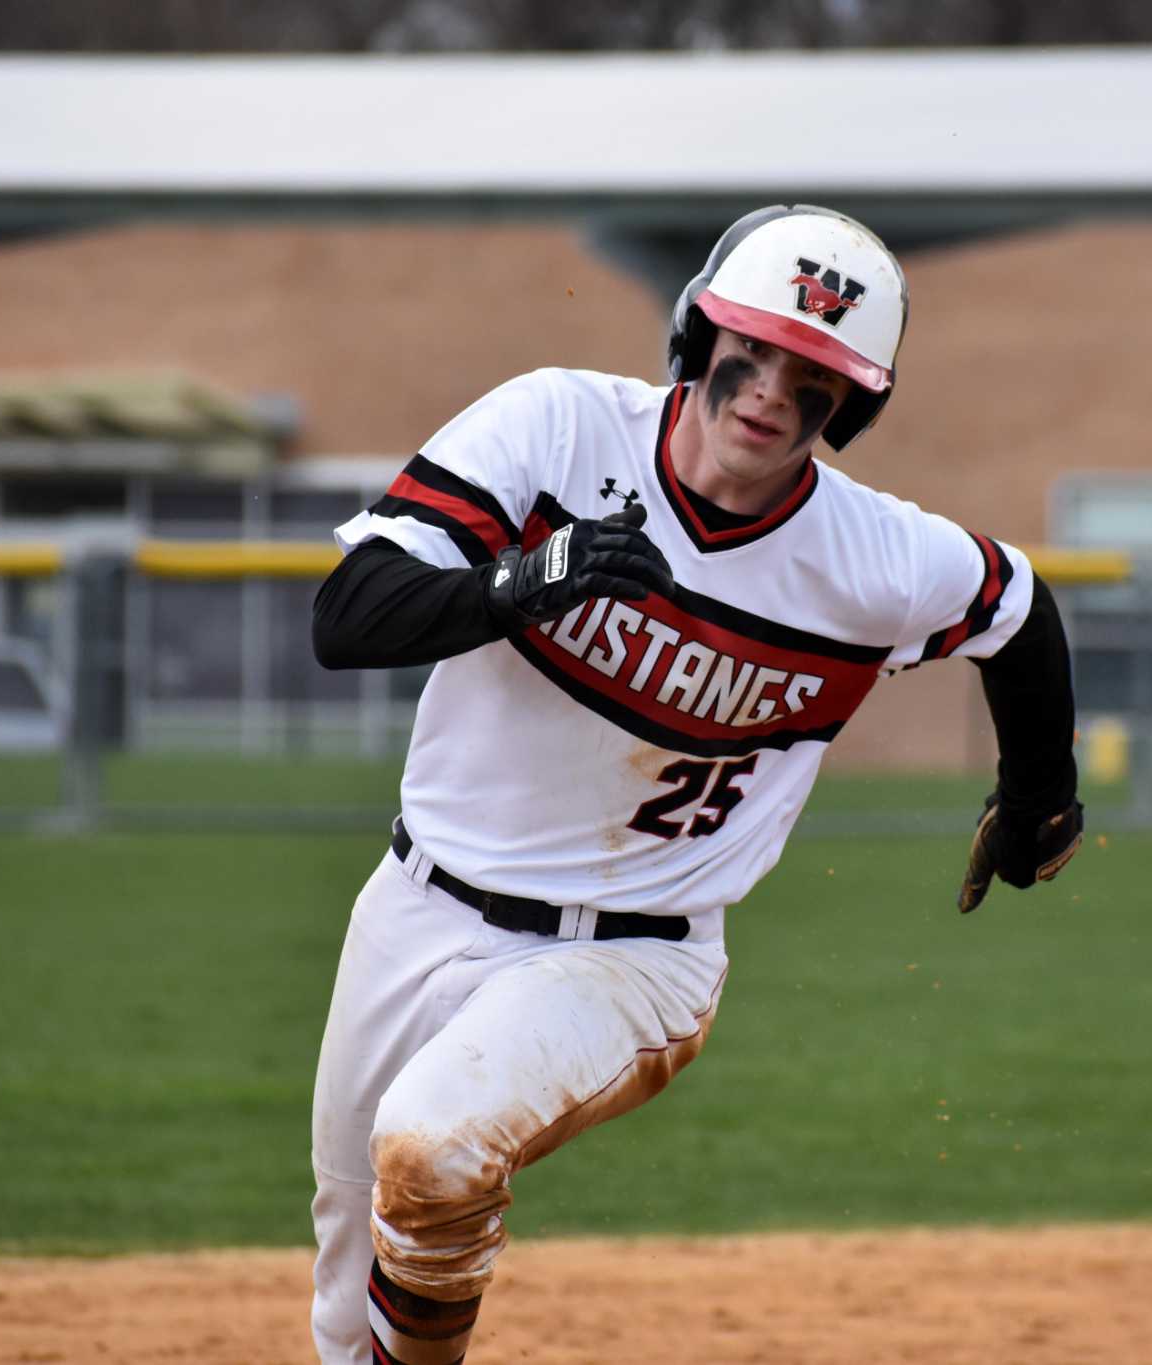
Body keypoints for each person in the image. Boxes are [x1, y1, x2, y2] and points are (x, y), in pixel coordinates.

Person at [307, 204, 1082, 1365]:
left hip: (631, 954)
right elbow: (347, 616)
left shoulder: (871, 556)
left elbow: (1016, 614)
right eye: (750, 349)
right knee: (345, 1277)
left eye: (813, 376)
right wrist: (522, 579)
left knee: (433, 1149)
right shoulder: (557, 428)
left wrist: (1037, 801)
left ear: (850, 407)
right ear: (696, 332)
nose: (769, 391)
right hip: (413, 906)